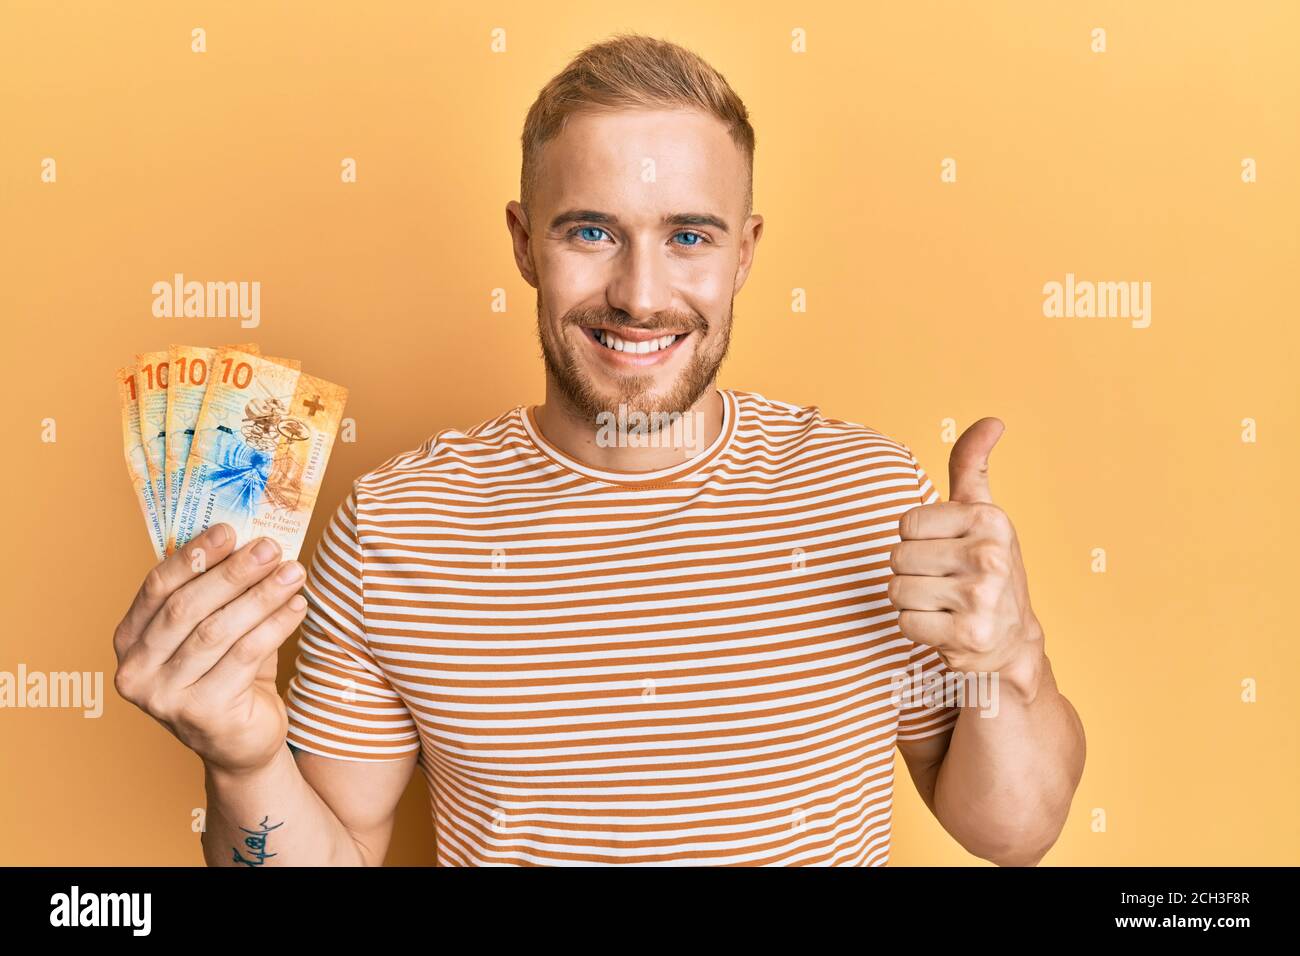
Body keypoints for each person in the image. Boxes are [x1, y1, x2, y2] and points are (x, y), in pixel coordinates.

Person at [112, 33, 1084, 867]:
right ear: (524, 241)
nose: (639, 292)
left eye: (688, 236)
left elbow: (1012, 833)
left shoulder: (867, 495)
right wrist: (240, 759)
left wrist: (1012, 655)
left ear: (743, 251)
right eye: (591, 231)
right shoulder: (396, 526)